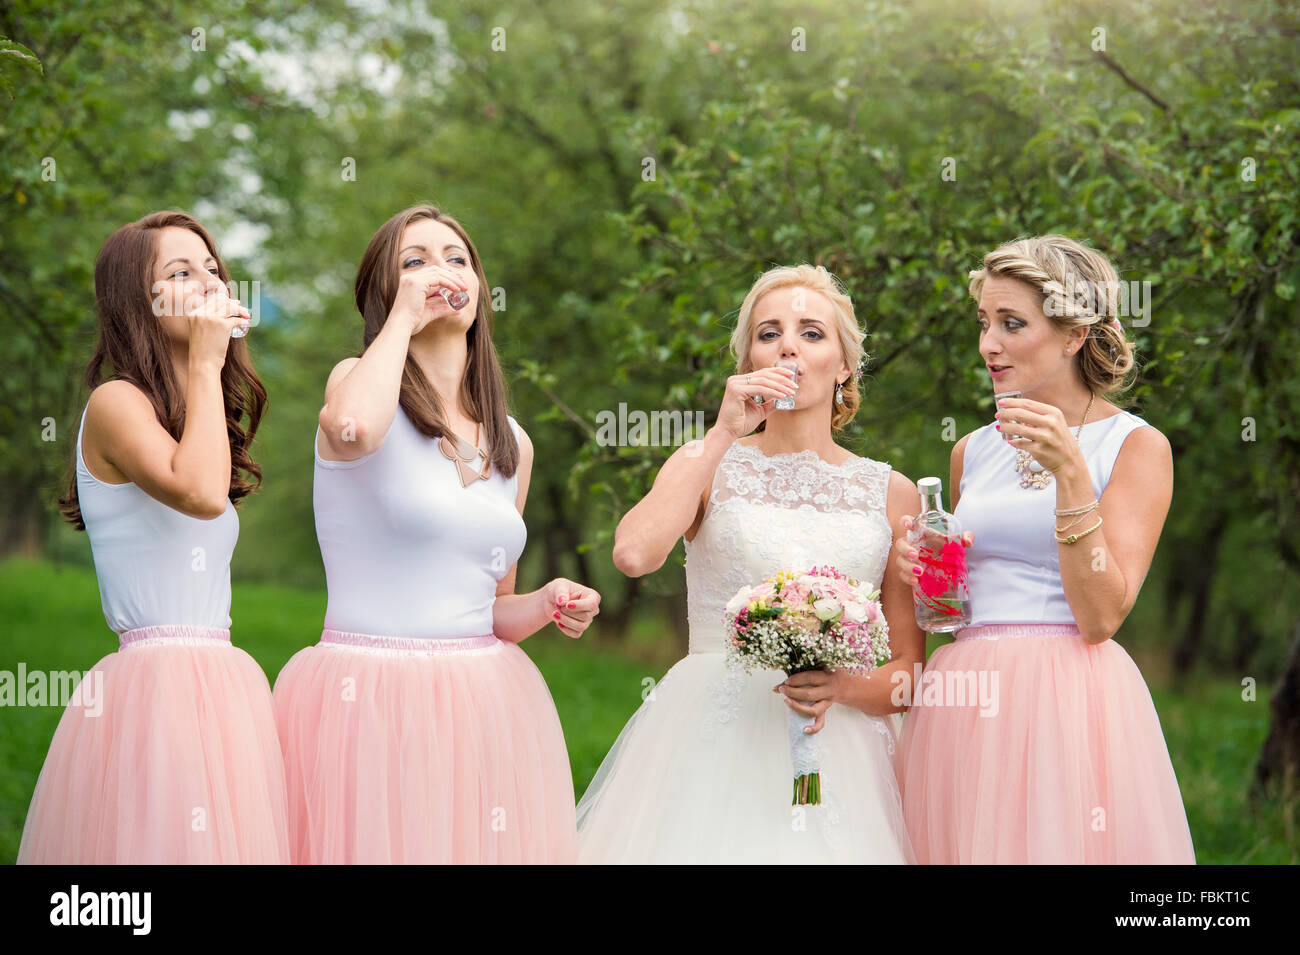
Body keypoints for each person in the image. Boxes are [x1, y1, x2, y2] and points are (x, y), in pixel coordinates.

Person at [273, 204, 599, 863]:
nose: (438, 271)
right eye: (413, 261)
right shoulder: (355, 384)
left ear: (479, 288)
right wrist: (403, 320)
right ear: (384, 294)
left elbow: (490, 609)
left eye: (455, 257)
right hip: (366, 698)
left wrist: (545, 603)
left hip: (482, 706)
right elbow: (353, 430)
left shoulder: (515, 444)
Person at [577, 264, 920, 863]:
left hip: (840, 751)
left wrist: (841, 686)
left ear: (844, 366)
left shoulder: (893, 494)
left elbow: (908, 675)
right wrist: (720, 437)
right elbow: (633, 555)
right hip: (709, 736)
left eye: (811, 332)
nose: (787, 344)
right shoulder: (707, 461)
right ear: (748, 363)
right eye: (769, 332)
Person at [893, 234, 1196, 864]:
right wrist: (923, 571)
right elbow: (953, 610)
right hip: (964, 695)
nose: (988, 345)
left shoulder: (1135, 447)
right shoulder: (971, 450)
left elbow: (1102, 615)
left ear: (1072, 334)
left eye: (1011, 324)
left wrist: (1071, 474)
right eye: (984, 324)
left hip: (1068, 698)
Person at [19, 211, 288, 863]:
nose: (207, 283)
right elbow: (198, 493)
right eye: (180, 271)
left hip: (223, 682)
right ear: (137, 301)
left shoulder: (191, 413)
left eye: (213, 270)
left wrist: (203, 371)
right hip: (154, 689)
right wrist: (204, 360)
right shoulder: (115, 403)